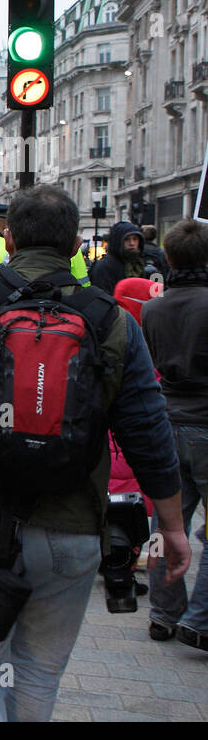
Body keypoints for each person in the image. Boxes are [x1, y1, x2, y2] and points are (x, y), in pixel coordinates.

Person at [0, 185, 190, 721]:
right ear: (74, 247)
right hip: (69, 533)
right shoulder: (113, 321)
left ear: (9, 238)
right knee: (38, 675)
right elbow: (148, 434)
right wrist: (173, 526)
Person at [141, 218, 208, 649]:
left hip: (167, 420)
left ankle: (164, 612)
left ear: (168, 258)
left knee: (165, 521)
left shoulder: (153, 308)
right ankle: (200, 620)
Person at [88, 221, 147, 294]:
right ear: (118, 242)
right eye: (127, 239)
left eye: (135, 239)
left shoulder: (139, 263)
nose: (132, 243)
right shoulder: (104, 266)